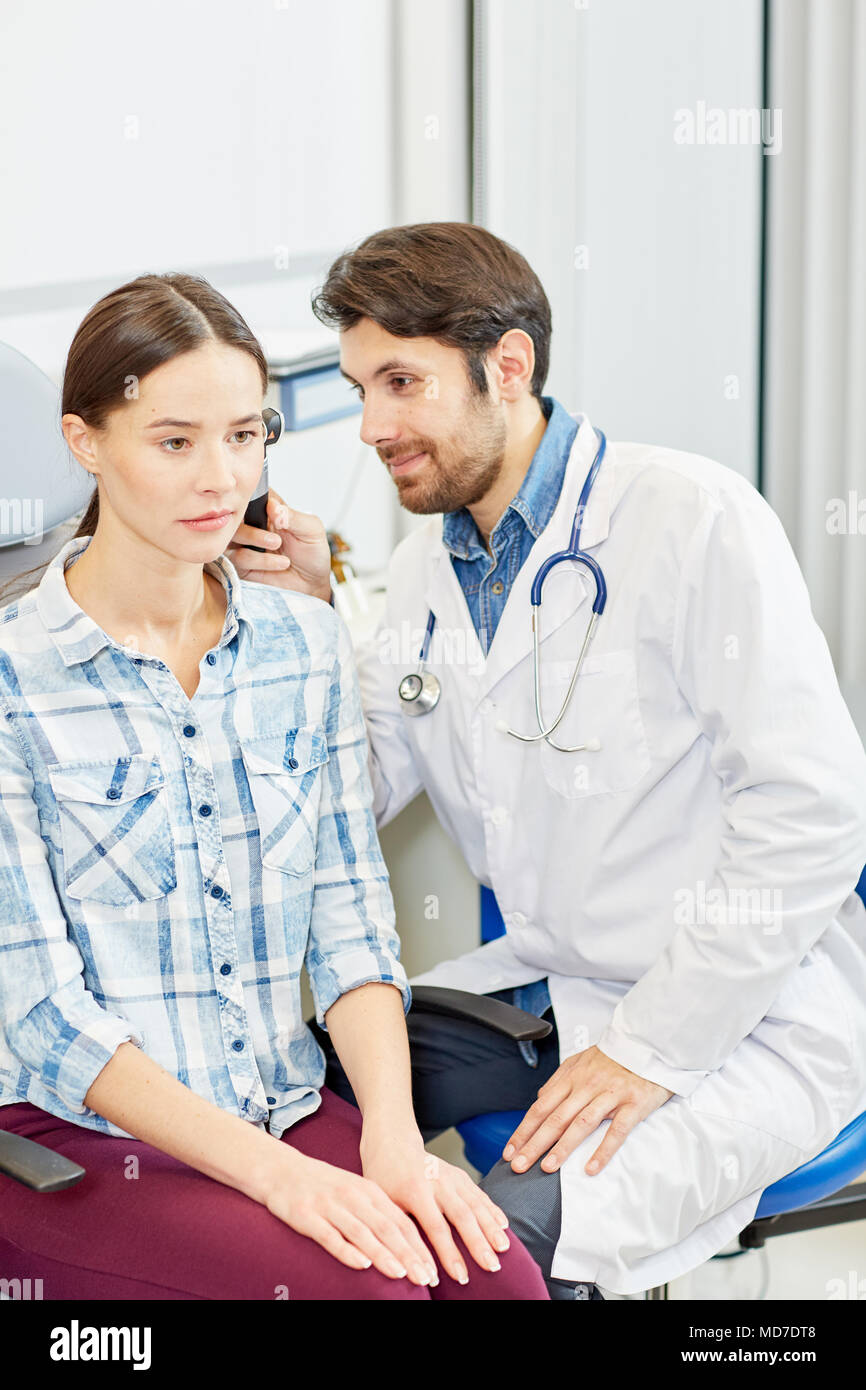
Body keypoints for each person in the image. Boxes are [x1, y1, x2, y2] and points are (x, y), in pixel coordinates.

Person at [226, 222, 866, 1300]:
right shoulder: (435, 559)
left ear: (506, 366)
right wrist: (306, 628)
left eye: (400, 383)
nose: (372, 427)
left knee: (489, 1254)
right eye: (357, 387)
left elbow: (809, 815)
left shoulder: (689, 519)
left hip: (735, 1012)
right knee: (274, 1099)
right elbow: (359, 785)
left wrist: (647, 1049)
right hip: (541, 983)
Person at [0, 271, 550, 1301]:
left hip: (288, 1107)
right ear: (85, 442)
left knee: (499, 1287)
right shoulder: (13, 681)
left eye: (246, 436)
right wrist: (284, 1181)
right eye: (175, 442)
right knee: (372, 1294)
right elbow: (43, 1016)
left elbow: (349, 923)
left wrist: (388, 1140)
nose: (220, 475)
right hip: (82, 1142)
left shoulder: (300, 644)